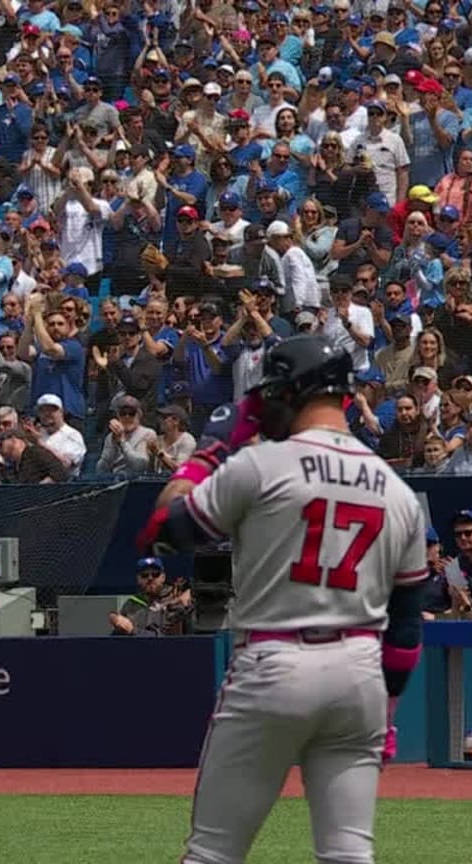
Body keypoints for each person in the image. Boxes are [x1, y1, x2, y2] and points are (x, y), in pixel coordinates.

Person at [137, 334, 428, 864]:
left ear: (294, 391)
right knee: (348, 855)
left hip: (274, 663)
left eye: (271, 392)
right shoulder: (398, 490)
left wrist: (211, 452)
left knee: (213, 852)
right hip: (360, 674)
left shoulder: (262, 464)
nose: (261, 403)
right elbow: (406, 631)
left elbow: (163, 528)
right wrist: (385, 713)